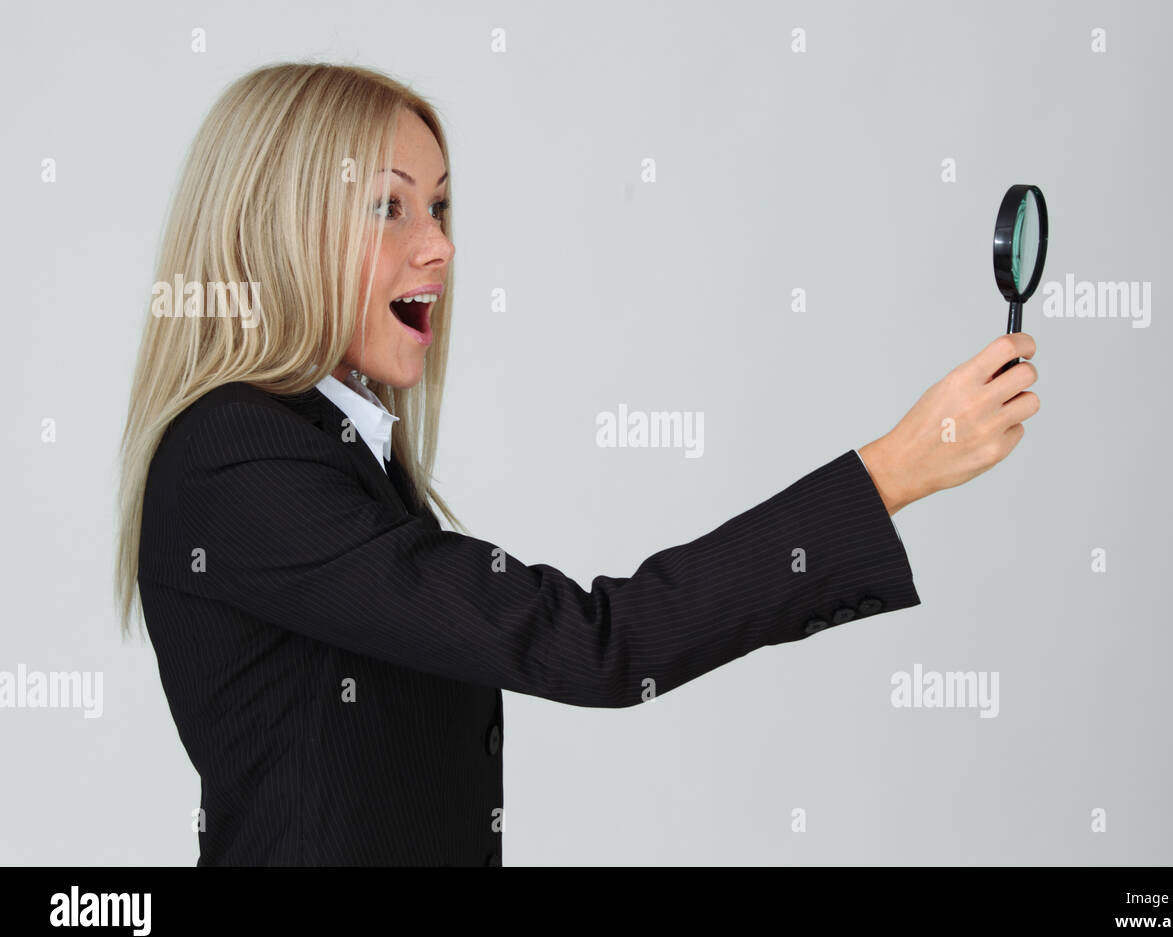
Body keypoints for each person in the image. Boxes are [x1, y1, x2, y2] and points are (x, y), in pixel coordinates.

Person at [114, 62, 1040, 866]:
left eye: (439, 206)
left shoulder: (335, 450)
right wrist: (891, 473)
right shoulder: (233, 456)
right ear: (278, 229)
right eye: (387, 207)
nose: (438, 244)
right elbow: (593, 643)